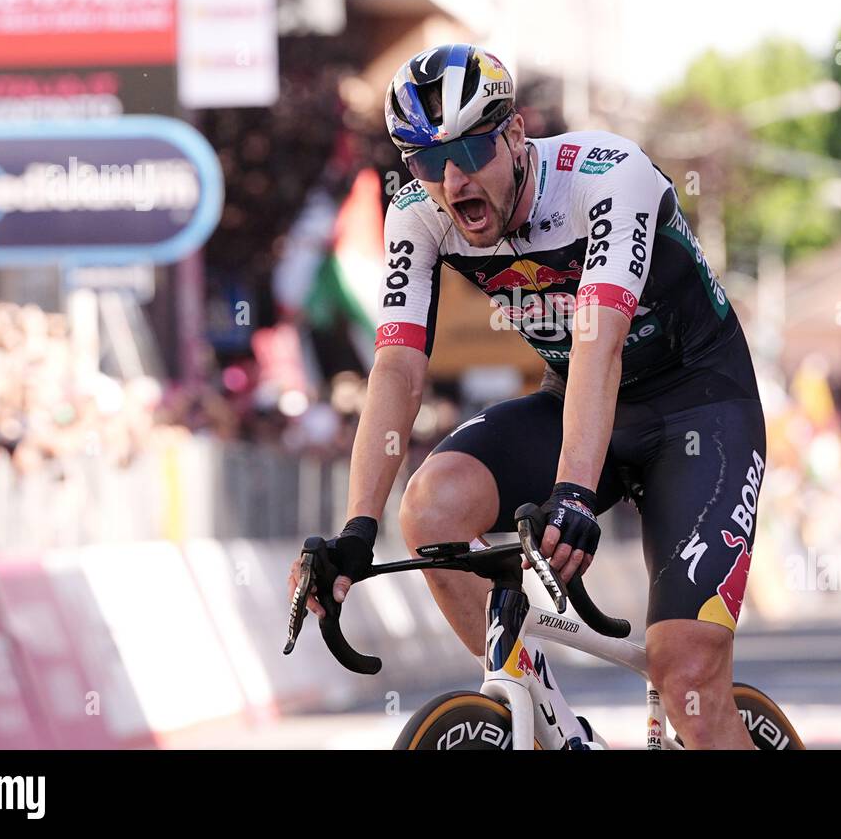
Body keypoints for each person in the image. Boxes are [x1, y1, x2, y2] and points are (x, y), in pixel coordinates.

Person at [287, 43, 767, 748]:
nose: (451, 180)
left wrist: (573, 492)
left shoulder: (606, 178)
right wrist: (357, 526)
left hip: (699, 409)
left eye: (472, 149)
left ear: (516, 134)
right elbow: (395, 372)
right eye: (424, 160)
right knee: (431, 509)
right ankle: (549, 724)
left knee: (687, 675)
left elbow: (599, 343)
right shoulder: (417, 214)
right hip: (577, 400)